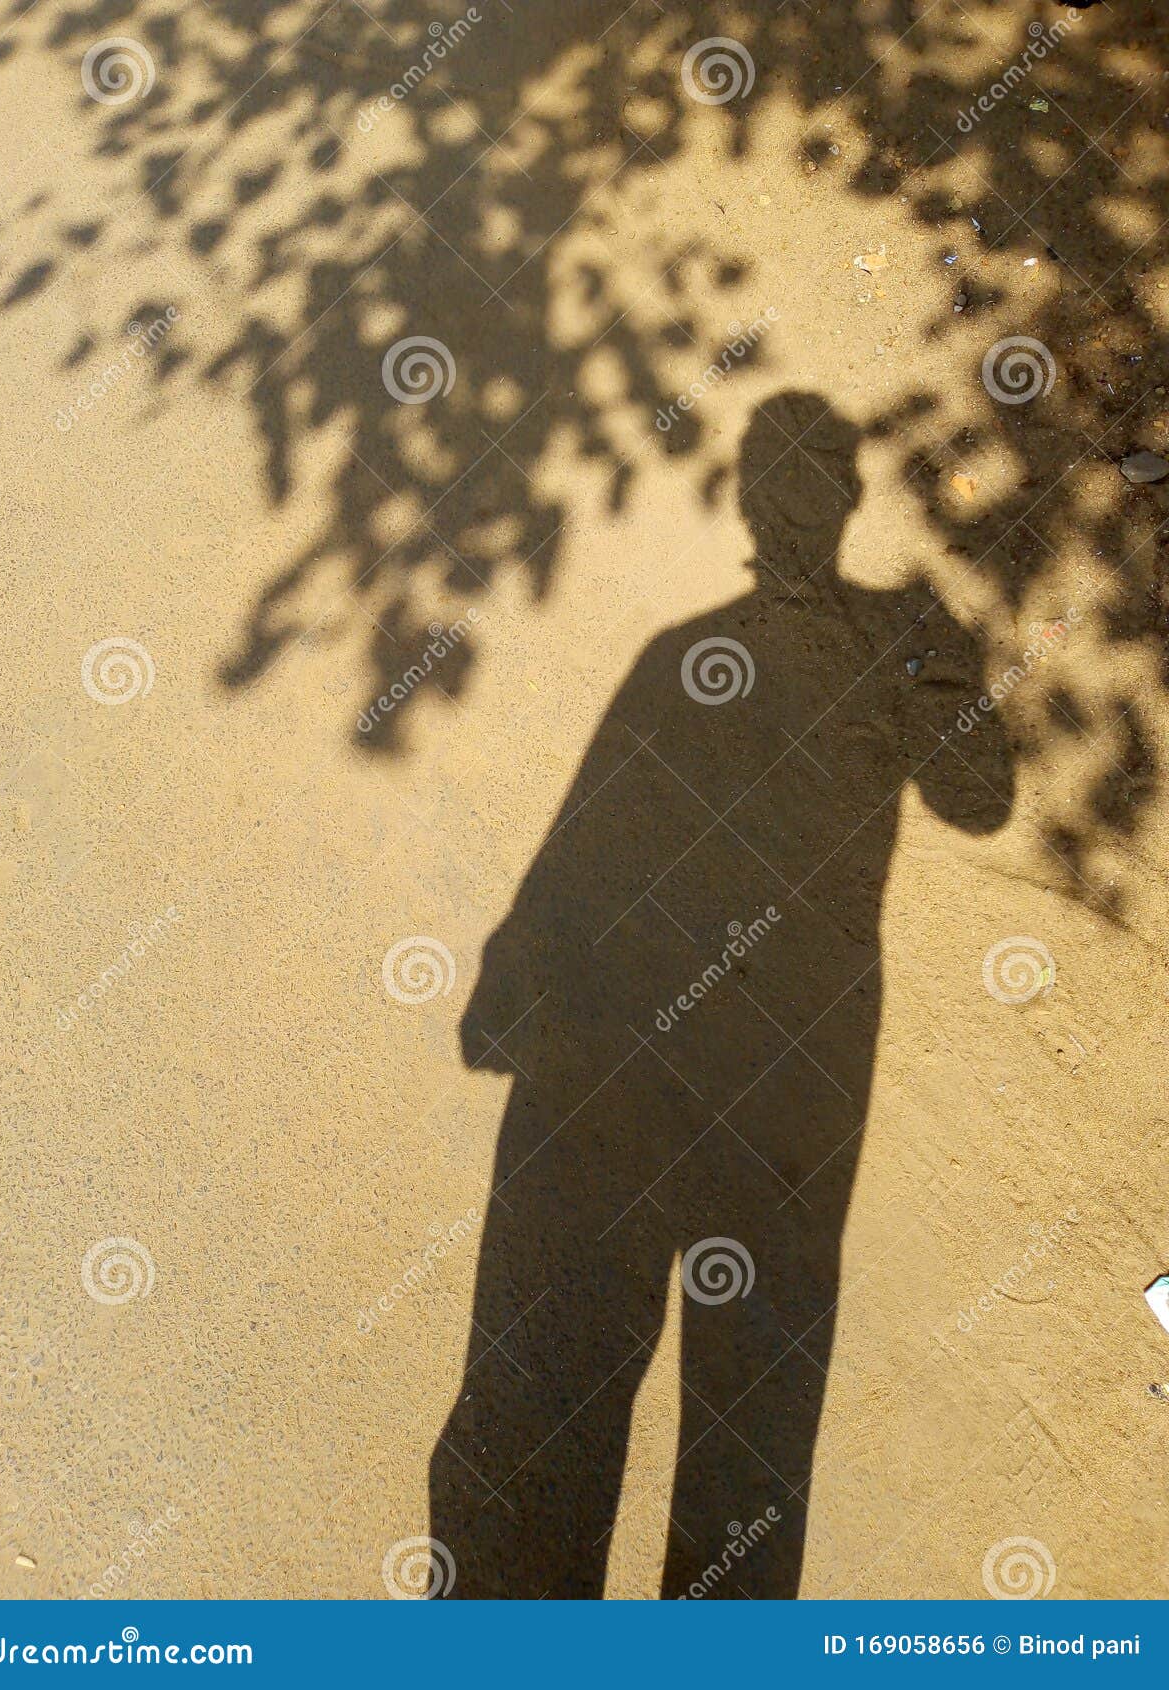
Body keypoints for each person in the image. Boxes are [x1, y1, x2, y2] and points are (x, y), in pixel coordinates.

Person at [429, 389, 1014, 1597]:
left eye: (803, 486)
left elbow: (975, 799)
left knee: (714, 1399)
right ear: (780, 502)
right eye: (785, 486)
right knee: (717, 1392)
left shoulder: (808, 649)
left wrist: (947, 665)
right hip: (789, 1073)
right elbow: (978, 802)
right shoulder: (820, 650)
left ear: (809, 503)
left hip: (767, 1078)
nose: (792, 509)